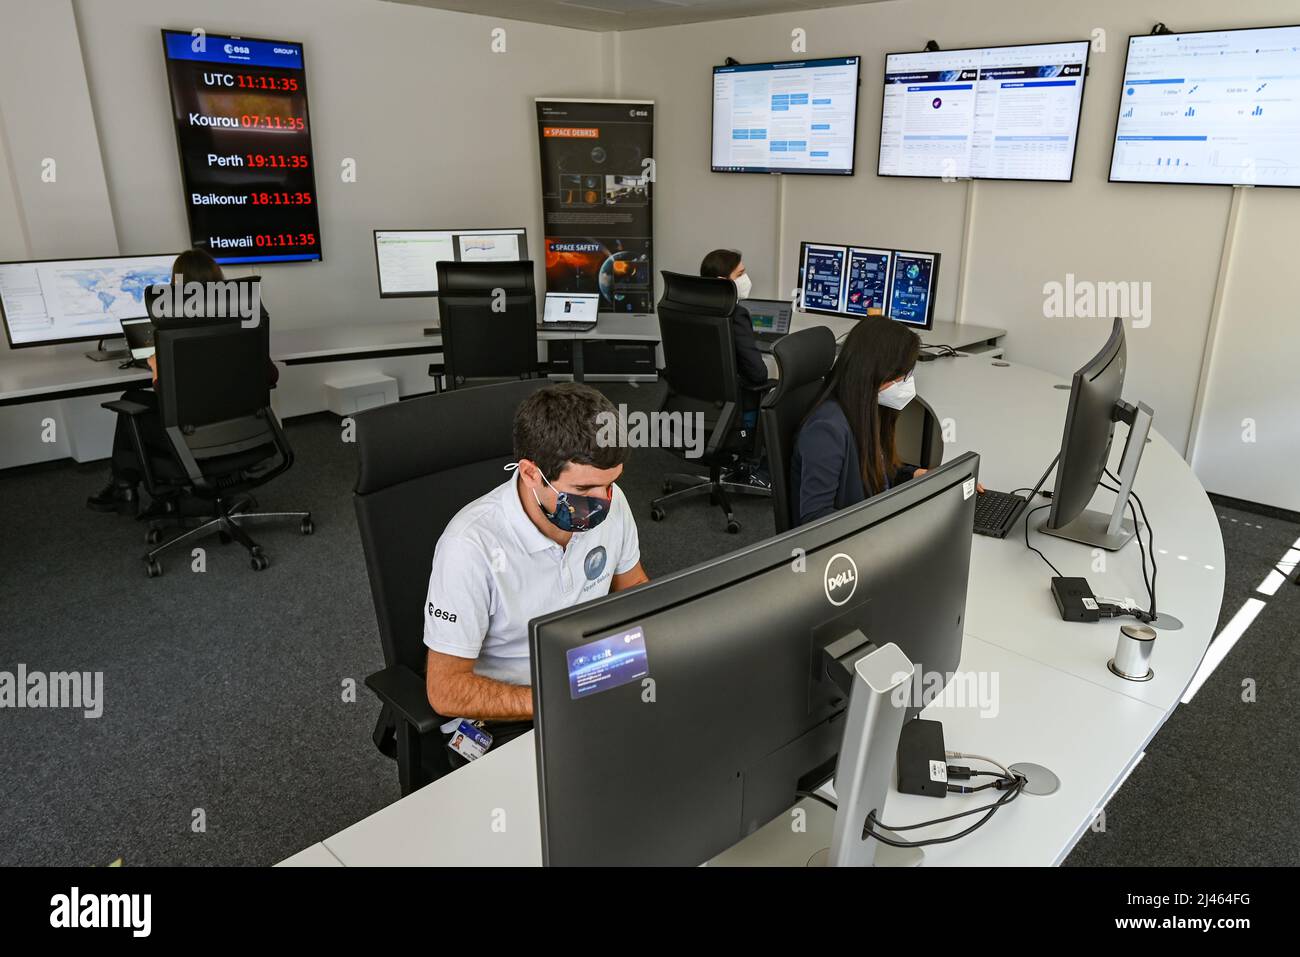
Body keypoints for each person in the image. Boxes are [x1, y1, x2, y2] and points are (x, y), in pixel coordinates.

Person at [423, 382, 649, 767]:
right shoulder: (470, 545)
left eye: (611, 483)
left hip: (588, 678)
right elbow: (445, 690)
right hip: (509, 711)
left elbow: (638, 594)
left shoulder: (612, 503)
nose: (603, 502)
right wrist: (558, 698)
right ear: (531, 473)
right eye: (584, 488)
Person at [87, 249, 277, 513]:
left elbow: (166, 393)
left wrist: (155, 366)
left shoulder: (175, 332)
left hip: (193, 438)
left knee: (132, 403)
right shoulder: (242, 319)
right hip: (247, 431)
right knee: (137, 399)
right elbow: (271, 377)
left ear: (178, 284)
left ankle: (126, 487)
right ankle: (129, 486)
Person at [792, 315, 970, 526]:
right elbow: (815, 519)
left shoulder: (864, 408)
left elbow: (878, 472)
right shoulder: (826, 430)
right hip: (849, 546)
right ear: (876, 372)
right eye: (902, 374)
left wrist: (920, 475)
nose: (906, 382)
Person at [699, 248, 773, 486]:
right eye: (740, 273)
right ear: (723, 282)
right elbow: (758, 374)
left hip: (694, 406)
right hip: (733, 414)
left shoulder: (689, 308)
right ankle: (759, 468)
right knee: (780, 390)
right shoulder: (735, 315)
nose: (746, 278)